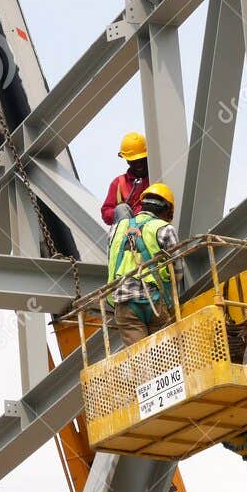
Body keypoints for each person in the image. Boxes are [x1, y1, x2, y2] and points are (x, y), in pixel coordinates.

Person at [105, 183, 179, 347]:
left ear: (142, 205)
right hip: (155, 300)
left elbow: (111, 259)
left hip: (124, 301)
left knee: (140, 358)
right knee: (164, 355)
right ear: (167, 211)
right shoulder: (165, 229)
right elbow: (177, 268)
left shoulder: (115, 229)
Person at [102, 131, 151, 226]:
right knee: (121, 209)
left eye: (142, 160)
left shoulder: (157, 177)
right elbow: (106, 213)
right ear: (127, 161)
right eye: (134, 161)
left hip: (153, 229)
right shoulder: (119, 183)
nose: (139, 164)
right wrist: (122, 211)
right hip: (128, 233)